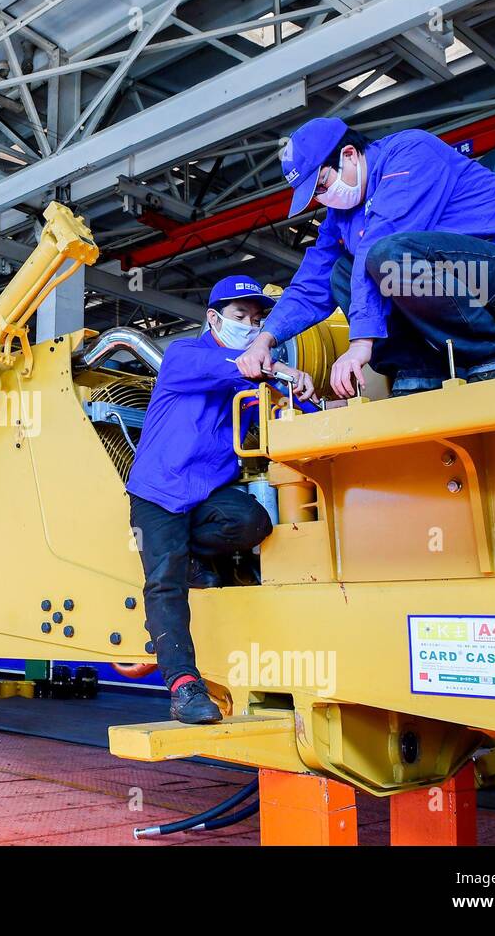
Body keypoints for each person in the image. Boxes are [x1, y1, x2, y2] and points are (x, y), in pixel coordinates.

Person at [237, 118, 495, 397]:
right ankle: (419, 367)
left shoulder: (411, 153)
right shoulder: (341, 217)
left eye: (323, 184)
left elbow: (381, 244)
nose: (323, 199)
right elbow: (311, 283)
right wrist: (265, 339)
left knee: (388, 255)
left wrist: (361, 343)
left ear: (349, 155)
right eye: (316, 195)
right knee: (340, 270)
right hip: (468, 283)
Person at [126, 275, 318, 725]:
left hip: (206, 496)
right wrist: (281, 369)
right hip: (159, 492)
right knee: (165, 581)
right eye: (239, 317)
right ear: (213, 318)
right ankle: (183, 686)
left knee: (252, 521)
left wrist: (310, 398)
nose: (249, 326)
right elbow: (231, 367)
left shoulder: (245, 378)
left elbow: (279, 408)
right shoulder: (183, 357)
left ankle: (193, 556)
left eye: (256, 320)